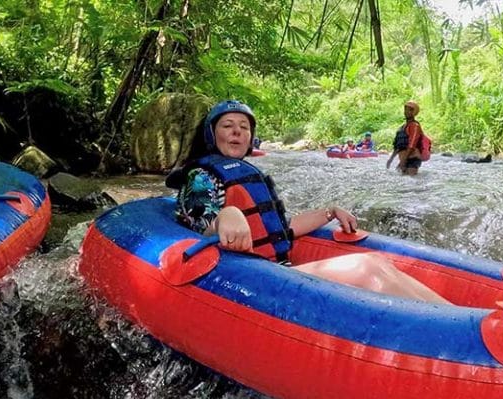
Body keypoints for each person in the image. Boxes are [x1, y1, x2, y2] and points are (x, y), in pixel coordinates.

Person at [169, 100, 450, 305]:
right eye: (227, 126)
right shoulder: (202, 177)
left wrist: (330, 211)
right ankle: (465, 335)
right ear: (211, 134)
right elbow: (197, 232)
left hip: (273, 270)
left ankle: (460, 319)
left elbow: (282, 229)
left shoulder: (249, 175)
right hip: (244, 280)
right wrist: (226, 215)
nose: (237, 132)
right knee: (366, 269)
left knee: (377, 262)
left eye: (244, 127)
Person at [386, 101, 423, 175]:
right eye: (406, 109)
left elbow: (412, 145)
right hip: (404, 159)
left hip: (413, 158)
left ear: (414, 112)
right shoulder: (402, 127)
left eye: (410, 110)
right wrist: (391, 159)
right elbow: (398, 146)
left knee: (411, 180)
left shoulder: (415, 126)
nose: (407, 111)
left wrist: (403, 161)